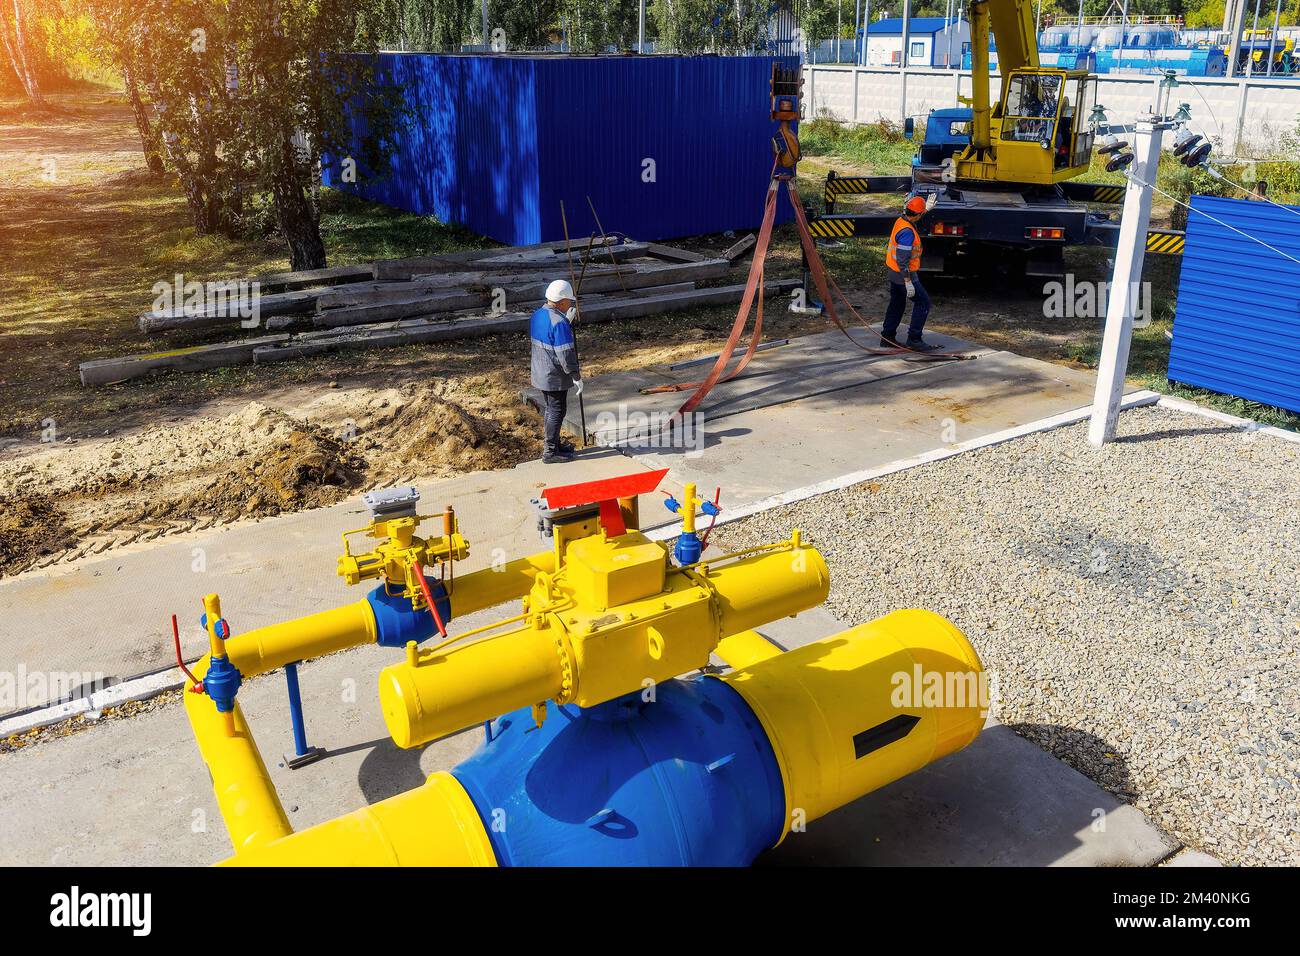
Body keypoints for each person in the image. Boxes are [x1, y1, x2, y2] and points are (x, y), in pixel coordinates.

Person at [530, 279, 583, 464]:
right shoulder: (559, 323)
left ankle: (555, 445)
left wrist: (564, 322)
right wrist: (576, 375)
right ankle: (550, 452)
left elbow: (548, 337)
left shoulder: (538, 315)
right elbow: (565, 354)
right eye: (569, 301)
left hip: (541, 371)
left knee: (551, 410)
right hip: (553, 376)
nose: (570, 304)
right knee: (556, 411)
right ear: (561, 302)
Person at [882, 193, 941, 352]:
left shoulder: (902, 220)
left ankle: (887, 337)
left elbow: (913, 217)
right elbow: (902, 260)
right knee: (923, 303)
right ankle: (914, 339)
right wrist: (908, 282)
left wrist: (925, 209)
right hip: (903, 274)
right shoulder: (907, 233)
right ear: (918, 215)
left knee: (897, 303)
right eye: (921, 213)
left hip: (893, 272)